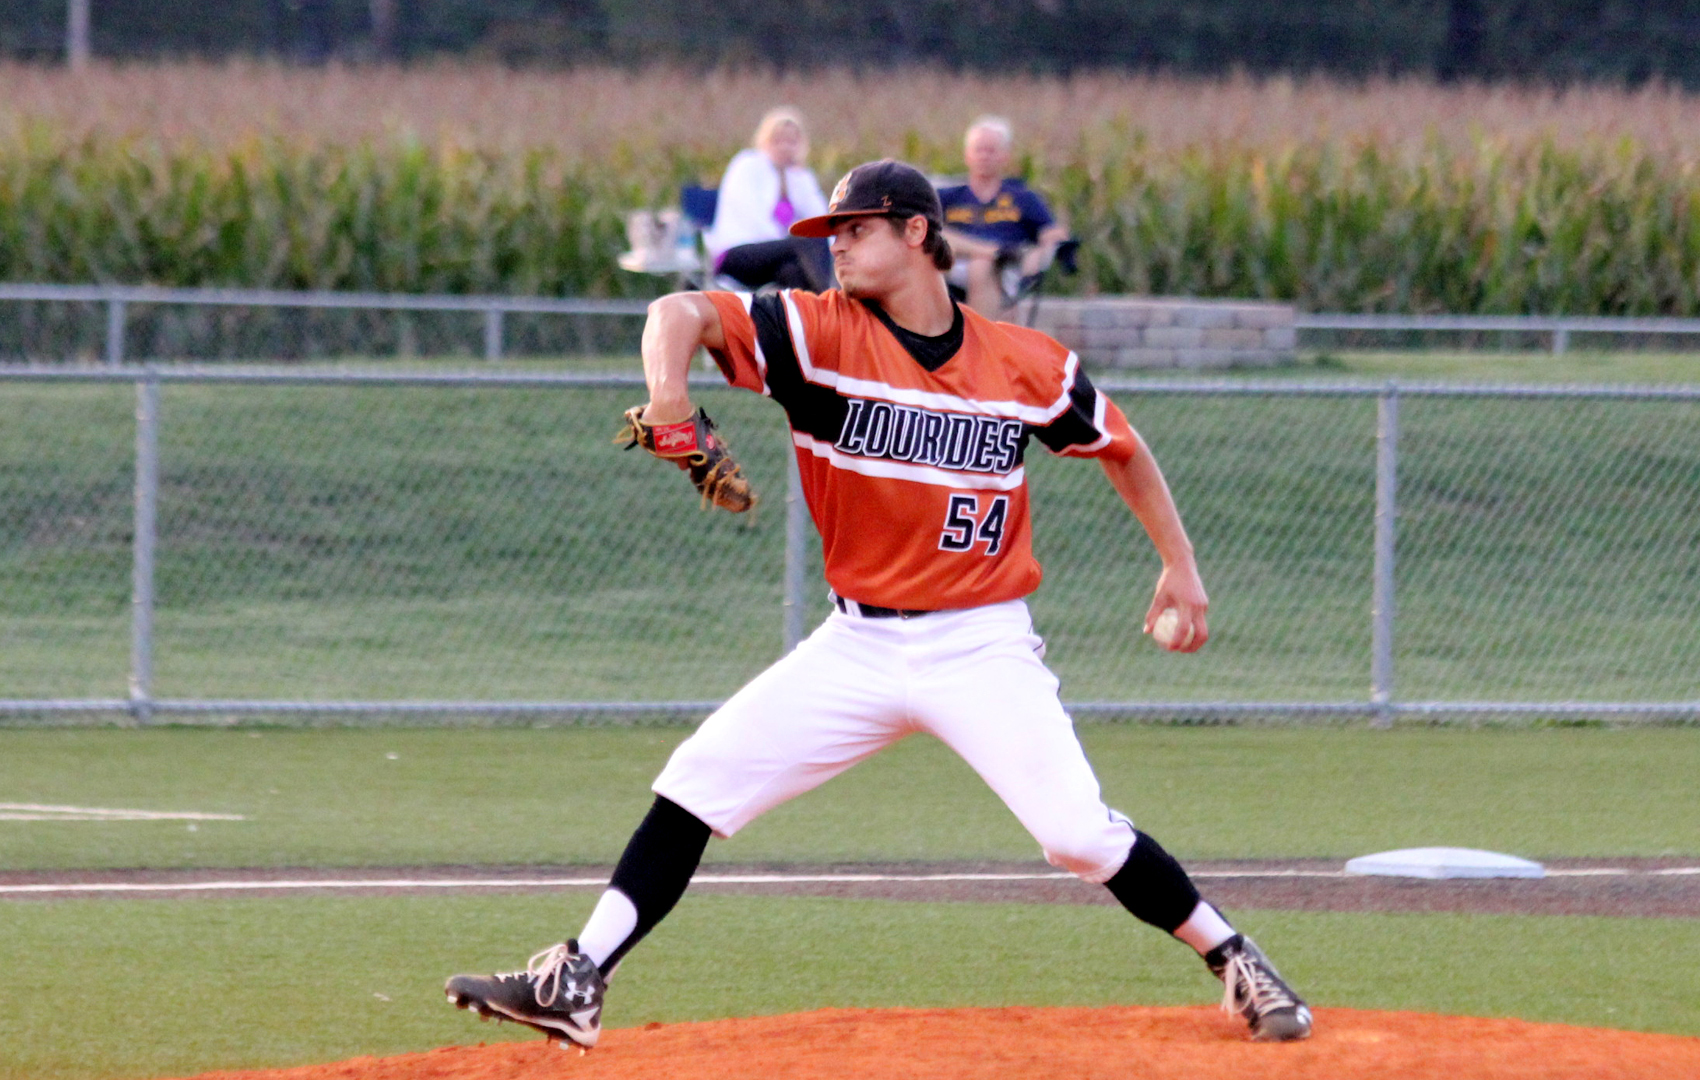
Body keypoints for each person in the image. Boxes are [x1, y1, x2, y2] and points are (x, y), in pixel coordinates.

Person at [444, 160, 1313, 1050]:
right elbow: (681, 312)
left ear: (916, 233)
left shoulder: (1023, 362)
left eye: (857, 229)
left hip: (981, 646)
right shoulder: (816, 335)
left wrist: (1181, 565)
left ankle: (1236, 958)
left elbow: (1118, 446)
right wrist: (670, 393)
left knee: (1077, 836)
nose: (840, 247)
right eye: (835, 234)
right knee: (697, 781)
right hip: (856, 646)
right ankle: (578, 978)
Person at [939, 116, 1072, 322]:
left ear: (1005, 156)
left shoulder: (1022, 197)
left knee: (981, 266)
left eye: (991, 151)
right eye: (978, 150)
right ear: (967, 155)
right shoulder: (948, 196)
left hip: (1006, 268)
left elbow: (1052, 233)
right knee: (935, 233)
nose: (984, 156)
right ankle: (993, 253)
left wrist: (1041, 252)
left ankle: (980, 341)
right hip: (952, 264)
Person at [706, 107, 834, 291]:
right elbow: (752, 217)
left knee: (792, 272)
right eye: (778, 140)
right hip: (739, 253)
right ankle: (831, 302)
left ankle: (804, 317)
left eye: (791, 142)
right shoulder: (747, 165)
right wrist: (788, 241)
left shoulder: (799, 177)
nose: (784, 147)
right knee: (805, 243)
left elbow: (819, 219)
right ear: (764, 140)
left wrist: (801, 180)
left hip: (780, 255)